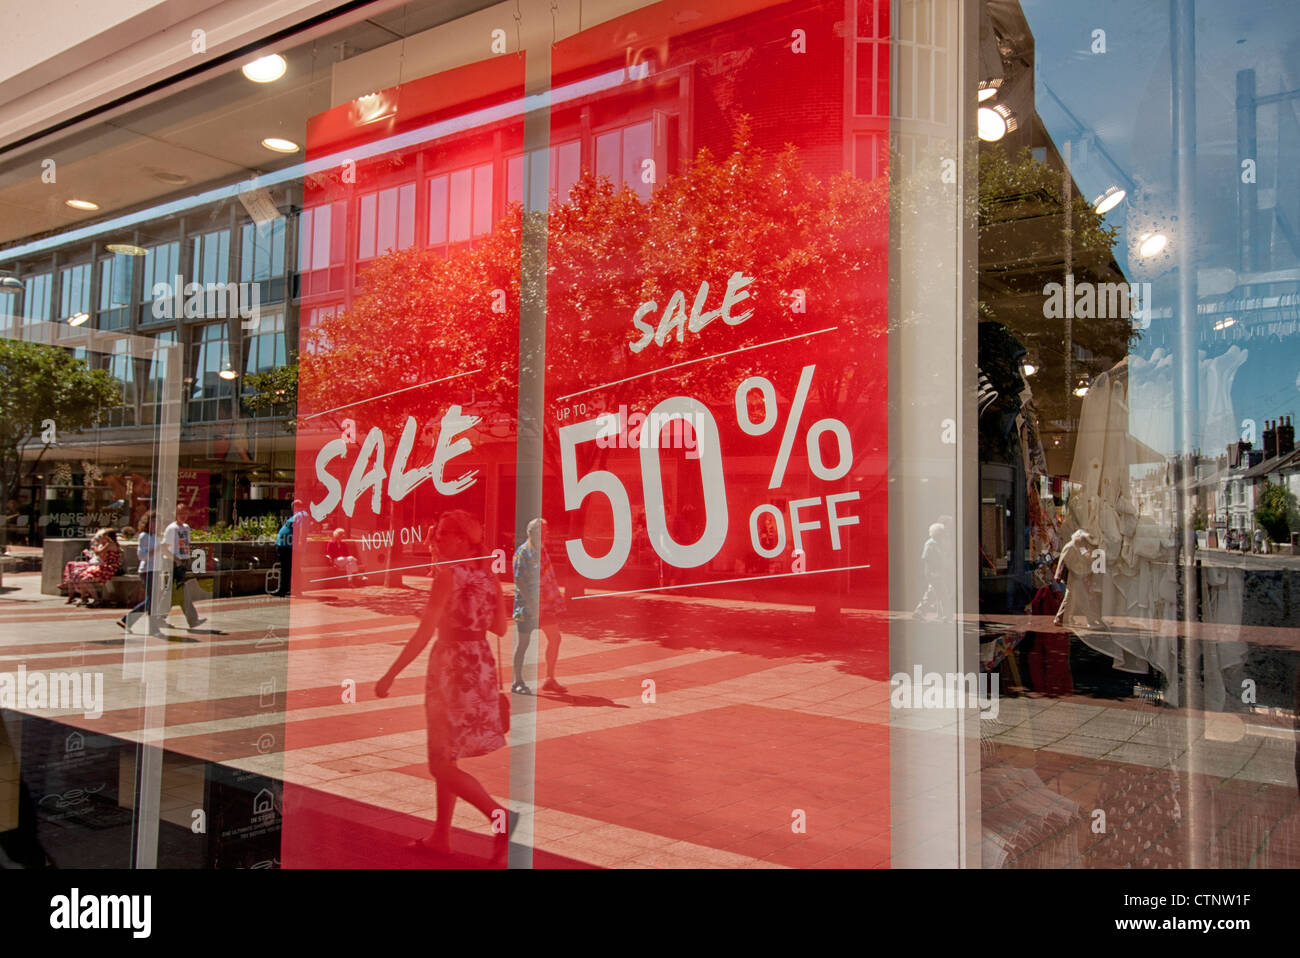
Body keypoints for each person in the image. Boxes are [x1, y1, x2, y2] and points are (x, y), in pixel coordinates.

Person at [375, 510, 514, 863]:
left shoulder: (447, 576)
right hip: (480, 668)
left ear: (464, 540)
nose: (437, 538)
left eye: (444, 533)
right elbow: (500, 629)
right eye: (437, 533)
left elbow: (424, 632)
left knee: (440, 764)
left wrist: (389, 675)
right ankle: (441, 836)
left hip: (450, 670)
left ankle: (500, 818)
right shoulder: (489, 577)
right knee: (446, 757)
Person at [511, 518, 567, 695]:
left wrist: (555, 599)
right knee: (523, 643)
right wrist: (531, 604)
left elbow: (547, 576)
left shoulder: (541, 550)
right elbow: (519, 580)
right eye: (544, 530)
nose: (547, 533)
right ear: (532, 532)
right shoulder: (523, 552)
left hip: (545, 605)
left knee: (555, 638)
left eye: (547, 530)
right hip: (527, 606)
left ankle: (549, 679)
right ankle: (517, 681)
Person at [119, 512, 164, 636]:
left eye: (157, 522)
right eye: (153, 522)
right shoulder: (144, 536)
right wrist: (157, 550)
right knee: (152, 600)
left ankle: (128, 620)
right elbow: (142, 556)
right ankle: (152, 628)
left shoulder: (156, 536)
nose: (156, 524)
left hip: (156, 569)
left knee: (152, 600)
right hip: (147, 570)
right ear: (147, 523)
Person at [161, 514, 205, 629]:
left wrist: (186, 557)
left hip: (182, 561)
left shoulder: (186, 527)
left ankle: (159, 617)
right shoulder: (171, 529)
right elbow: (164, 547)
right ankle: (192, 619)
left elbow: (186, 543)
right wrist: (176, 560)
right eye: (181, 513)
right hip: (175, 563)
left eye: (186, 513)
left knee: (172, 591)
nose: (184, 516)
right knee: (179, 590)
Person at [61, 528, 122, 606]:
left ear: (107, 536)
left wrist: (95, 547)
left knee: (84, 579)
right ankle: (84, 598)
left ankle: (96, 599)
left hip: (108, 568)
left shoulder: (110, 544)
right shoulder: (109, 544)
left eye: (103, 536)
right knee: (82, 577)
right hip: (104, 566)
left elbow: (98, 553)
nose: (102, 537)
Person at [912, 522, 949, 620]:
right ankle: (921, 611)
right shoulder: (930, 544)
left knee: (934, 593)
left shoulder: (938, 543)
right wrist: (930, 573)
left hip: (938, 572)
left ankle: (938, 614)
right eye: (942, 532)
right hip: (933, 573)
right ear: (937, 533)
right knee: (940, 593)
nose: (943, 534)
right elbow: (926, 559)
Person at [274, 499, 309, 597]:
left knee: (287, 569)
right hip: (286, 546)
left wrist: (300, 543)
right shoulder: (297, 515)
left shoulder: (302, 514)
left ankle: (284, 590)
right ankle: (291, 589)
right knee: (289, 569)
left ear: (296, 506)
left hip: (290, 547)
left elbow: (303, 529)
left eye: (293, 506)